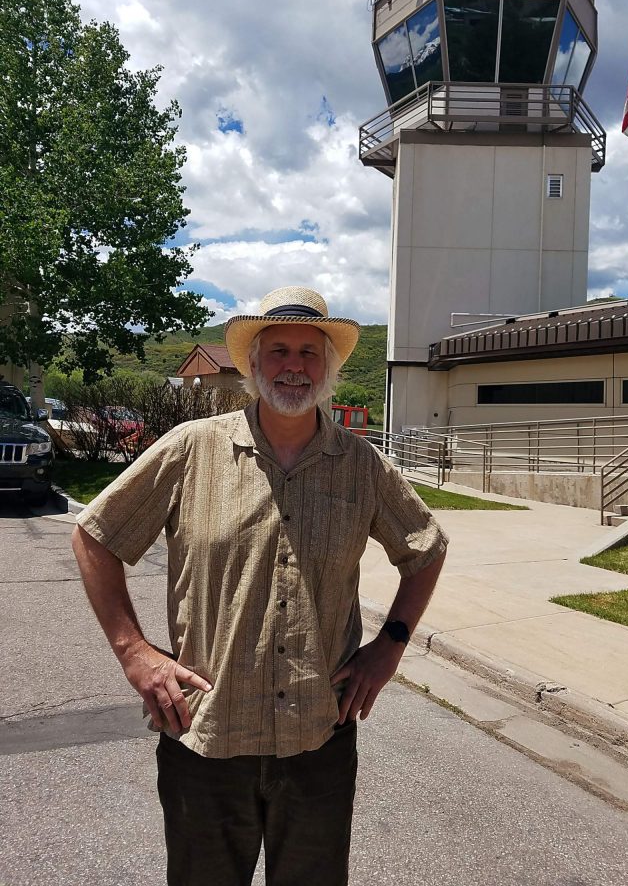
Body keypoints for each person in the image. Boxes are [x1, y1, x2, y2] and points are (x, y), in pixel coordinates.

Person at [71, 285, 448, 886]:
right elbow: (95, 537)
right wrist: (134, 653)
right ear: (252, 364)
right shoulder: (192, 449)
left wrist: (391, 644)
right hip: (206, 738)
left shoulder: (361, 465)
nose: (293, 366)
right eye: (277, 351)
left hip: (319, 741)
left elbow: (425, 549)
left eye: (308, 351)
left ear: (327, 368)